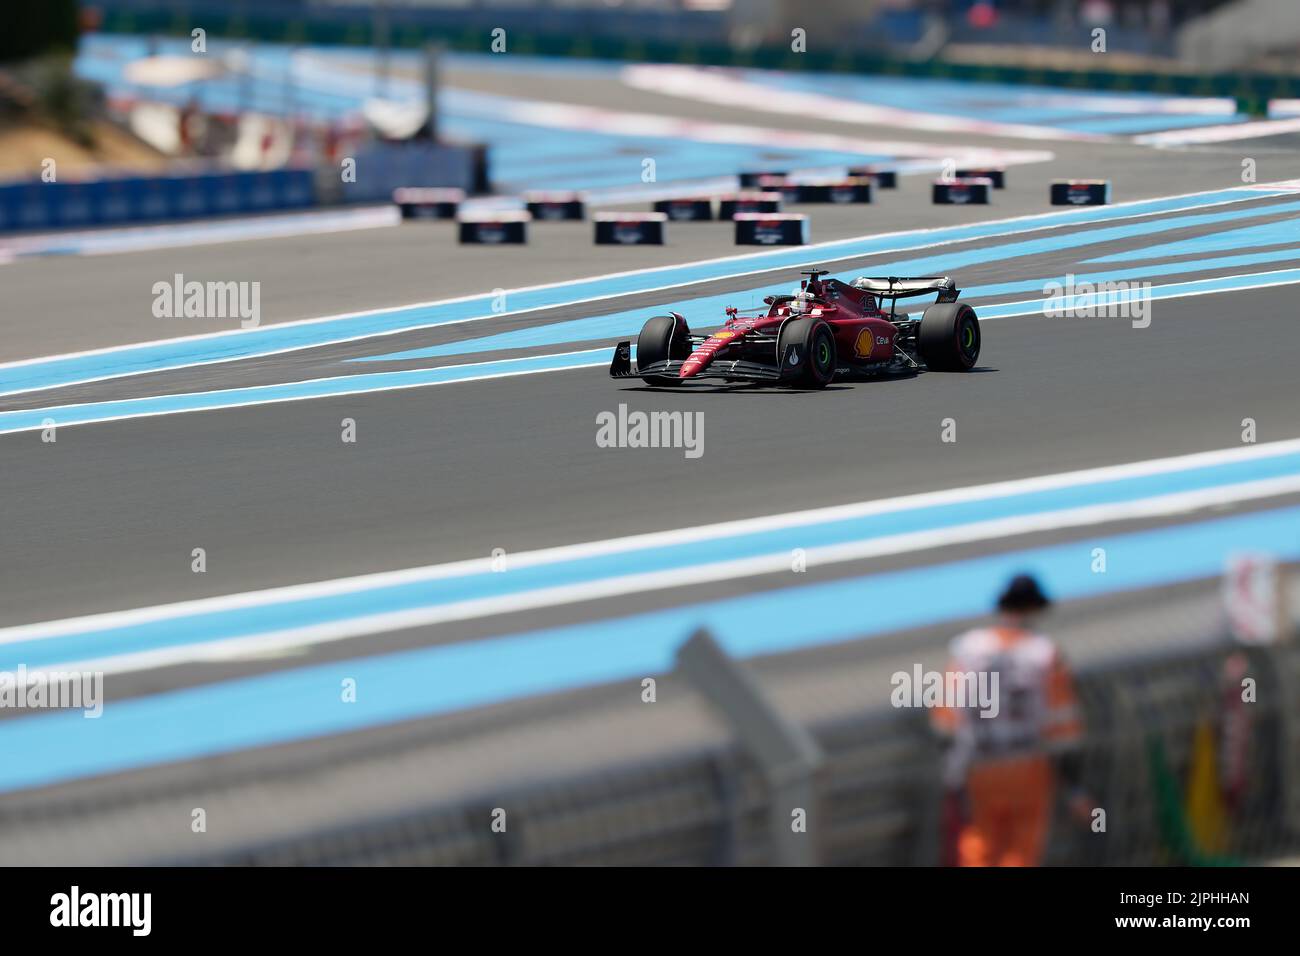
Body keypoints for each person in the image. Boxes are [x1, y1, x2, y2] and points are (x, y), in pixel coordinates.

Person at [931, 573, 1089, 866]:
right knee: (1022, 848)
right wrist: (1075, 787)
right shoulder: (1045, 653)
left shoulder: (968, 649)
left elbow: (945, 720)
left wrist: (953, 771)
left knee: (979, 844)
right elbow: (1064, 727)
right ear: (1034, 609)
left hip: (980, 764)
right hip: (1027, 764)